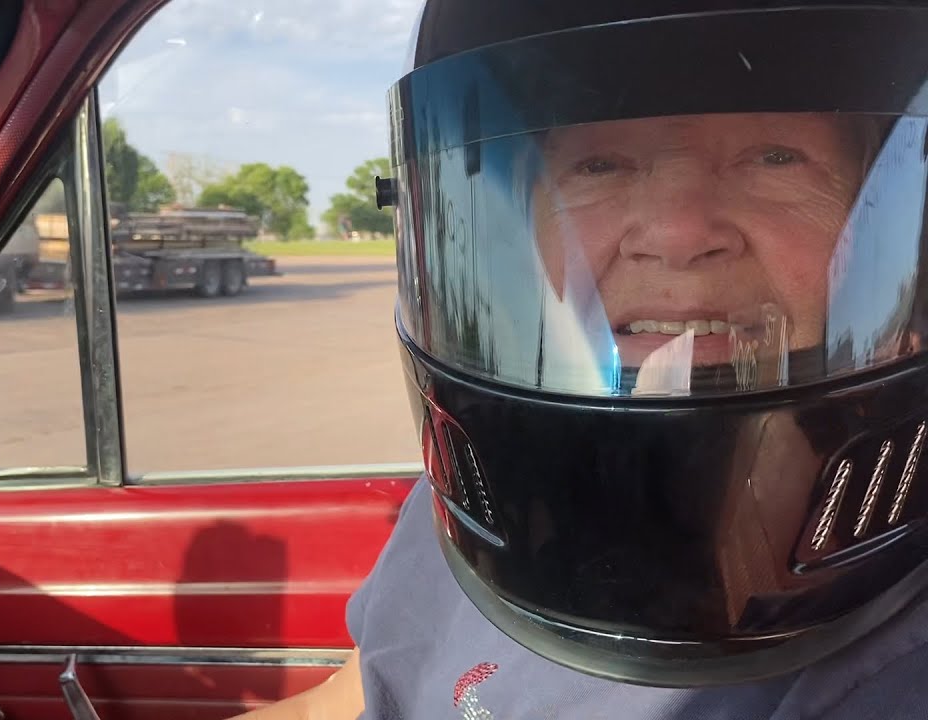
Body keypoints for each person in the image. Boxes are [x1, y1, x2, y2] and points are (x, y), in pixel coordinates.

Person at [232, 0, 928, 718]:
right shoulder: (486, 485)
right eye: (600, 165)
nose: (677, 231)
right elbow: (343, 703)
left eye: (773, 156)